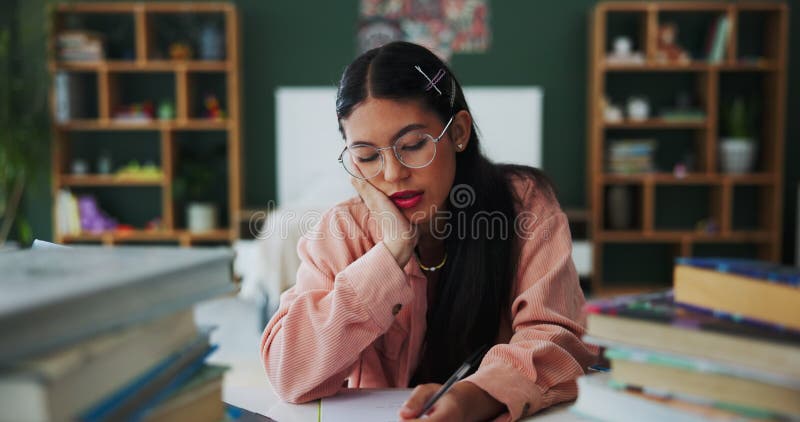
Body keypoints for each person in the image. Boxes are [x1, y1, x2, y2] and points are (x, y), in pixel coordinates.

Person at [260, 41, 598, 422]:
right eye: (367, 156)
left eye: (413, 145)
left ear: (459, 132)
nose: (392, 173)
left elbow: (557, 340)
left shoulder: (525, 205)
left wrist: (475, 398)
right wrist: (391, 253)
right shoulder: (343, 230)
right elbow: (289, 374)